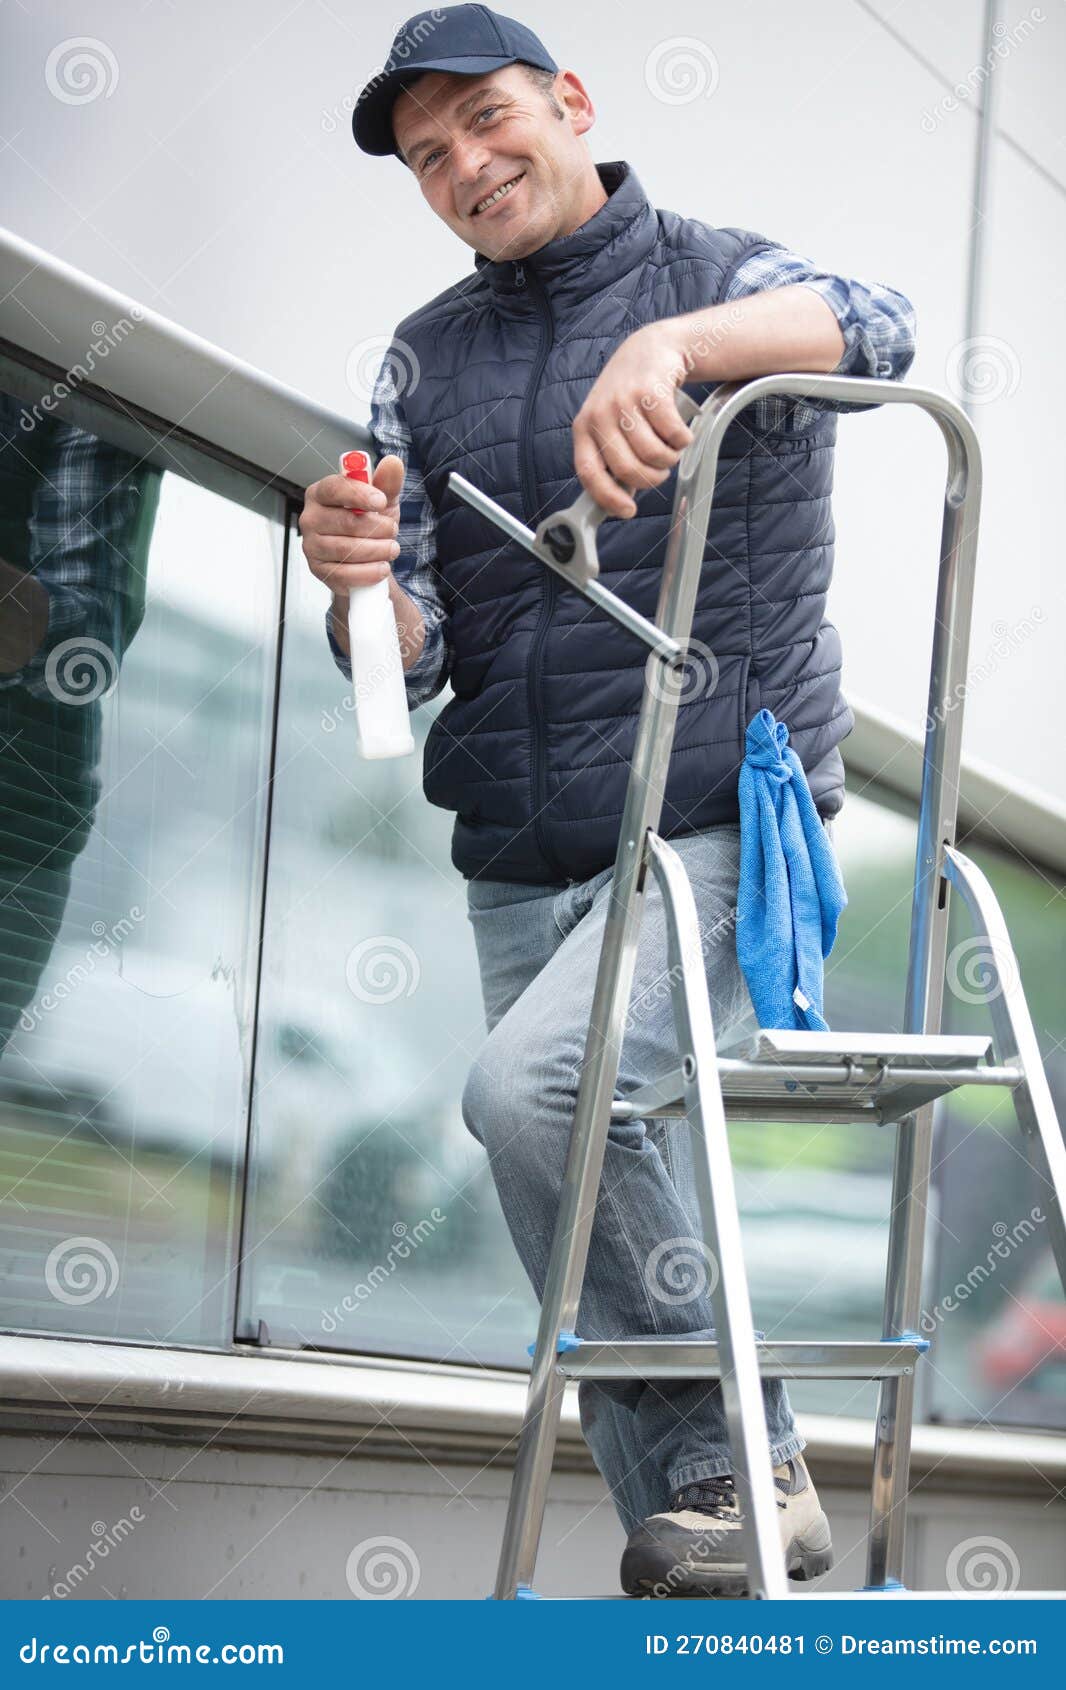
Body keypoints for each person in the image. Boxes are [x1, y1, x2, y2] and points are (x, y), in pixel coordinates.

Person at [301, 5, 916, 1597]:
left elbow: (880, 321)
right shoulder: (417, 357)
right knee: (578, 1183)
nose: (464, 166)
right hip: (519, 855)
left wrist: (676, 350)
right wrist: (355, 585)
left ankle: (738, 1466)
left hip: (719, 823)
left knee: (527, 1098)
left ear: (568, 102)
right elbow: (407, 661)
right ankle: (730, 1529)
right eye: (428, 157)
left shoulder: (715, 274)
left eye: (487, 120)